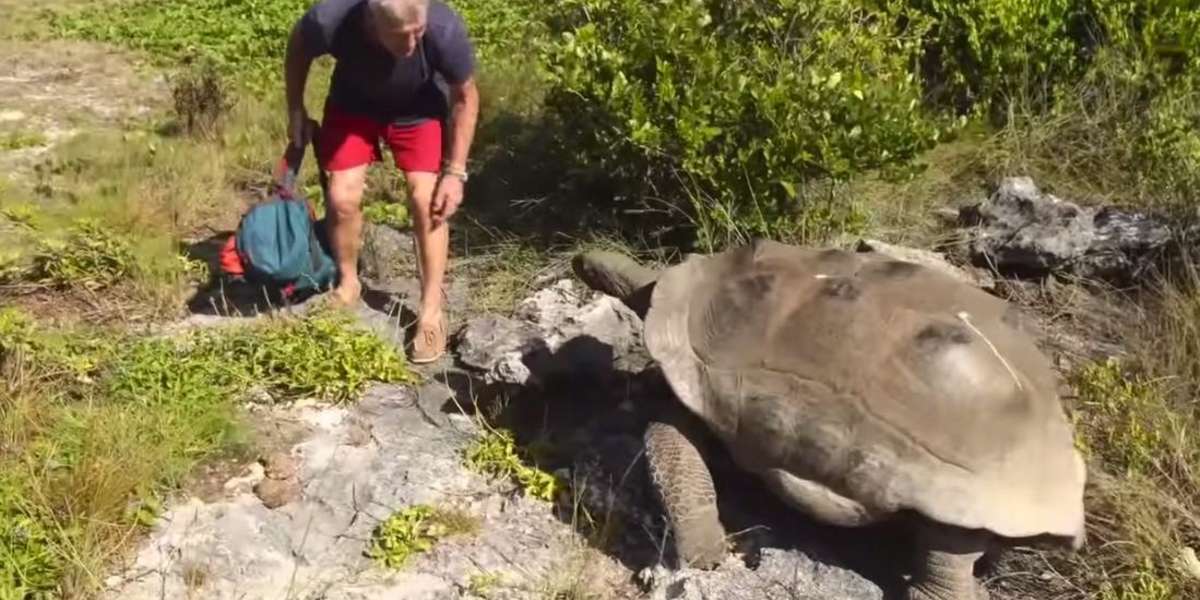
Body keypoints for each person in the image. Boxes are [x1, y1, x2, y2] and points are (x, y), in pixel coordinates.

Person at [284, 0, 478, 363]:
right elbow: (298, 46)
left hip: (419, 107)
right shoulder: (331, 20)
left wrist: (455, 172)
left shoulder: (442, 28)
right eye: (401, 36)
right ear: (372, 24)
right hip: (353, 105)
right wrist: (295, 108)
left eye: (417, 33)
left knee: (426, 199)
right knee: (342, 197)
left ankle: (431, 311)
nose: (412, 45)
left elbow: (465, 97)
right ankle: (348, 283)